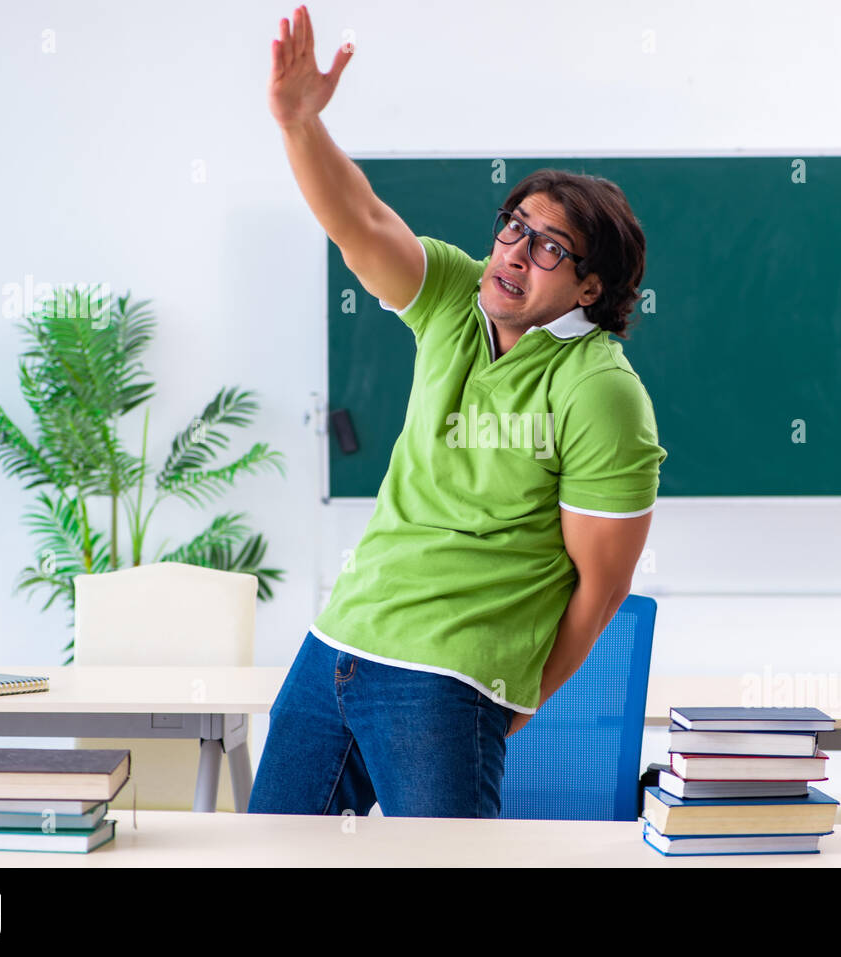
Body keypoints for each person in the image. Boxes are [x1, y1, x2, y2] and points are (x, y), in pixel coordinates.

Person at [248, 5, 667, 819]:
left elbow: (602, 586)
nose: (515, 250)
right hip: (337, 644)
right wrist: (300, 124)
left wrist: (514, 698)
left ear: (591, 287)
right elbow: (360, 219)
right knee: (268, 852)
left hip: (450, 675)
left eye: (550, 246)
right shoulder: (450, 297)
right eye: (516, 227)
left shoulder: (600, 389)